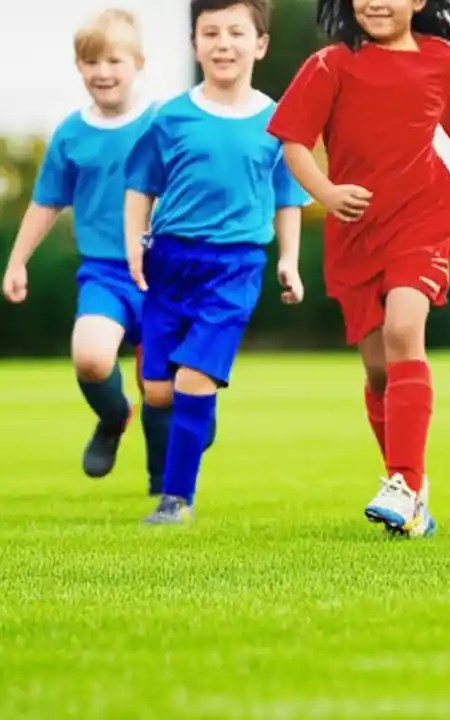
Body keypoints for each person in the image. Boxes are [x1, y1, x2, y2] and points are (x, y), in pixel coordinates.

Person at [270, 0, 450, 538]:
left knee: (404, 329)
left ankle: (405, 483)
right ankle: (410, 493)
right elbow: (293, 143)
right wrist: (326, 192)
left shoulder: (443, 61)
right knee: (379, 370)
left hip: (424, 219)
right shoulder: (330, 65)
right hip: (357, 235)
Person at [128, 0, 311, 524]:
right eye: (210, 32)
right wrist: (132, 246)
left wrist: (290, 261)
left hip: (235, 266)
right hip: (168, 261)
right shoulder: (170, 117)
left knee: (193, 380)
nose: (223, 43)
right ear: (194, 44)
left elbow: (287, 198)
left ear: (260, 45)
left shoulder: (278, 120)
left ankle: (176, 498)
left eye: (236, 32)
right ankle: (195, 419)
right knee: (159, 390)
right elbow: (140, 187)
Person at [2, 10, 168, 494]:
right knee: (92, 359)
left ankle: (164, 487)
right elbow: (46, 201)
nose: (103, 71)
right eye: (91, 61)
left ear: (138, 63)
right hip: (105, 274)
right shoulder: (71, 133)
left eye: (114, 60)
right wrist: (17, 261)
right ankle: (113, 417)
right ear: (79, 68)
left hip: (164, 272)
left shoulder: (163, 123)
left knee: (162, 389)